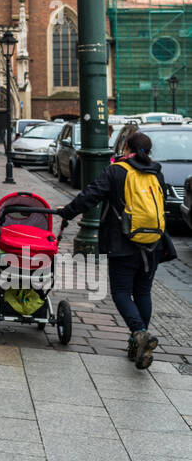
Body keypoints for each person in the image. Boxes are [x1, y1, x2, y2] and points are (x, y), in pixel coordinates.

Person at [56, 130, 177, 368]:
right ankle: (138, 343)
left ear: (126, 148)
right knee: (143, 292)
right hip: (153, 243)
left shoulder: (116, 170)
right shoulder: (156, 172)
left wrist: (66, 212)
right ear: (148, 151)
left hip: (122, 243)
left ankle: (139, 333)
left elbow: (90, 196)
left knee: (121, 292)